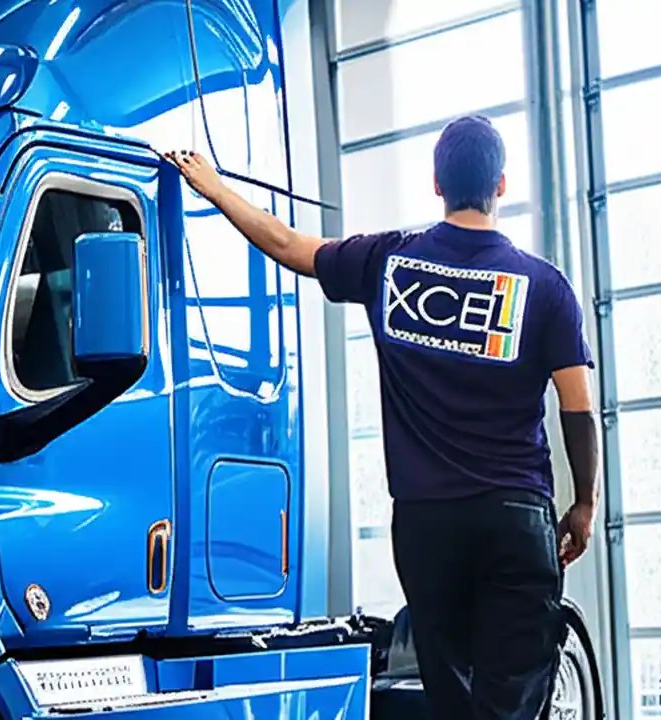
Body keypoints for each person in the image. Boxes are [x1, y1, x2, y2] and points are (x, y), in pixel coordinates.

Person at [165, 115, 599, 720]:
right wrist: (583, 504)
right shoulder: (543, 286)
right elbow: (577, 406)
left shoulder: (389, 262)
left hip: (426, 526)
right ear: (501, 185)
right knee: (514, 701)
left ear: (436, 183)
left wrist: (213, 187)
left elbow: (290, 246)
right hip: (513, 520)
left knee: (451, 698)